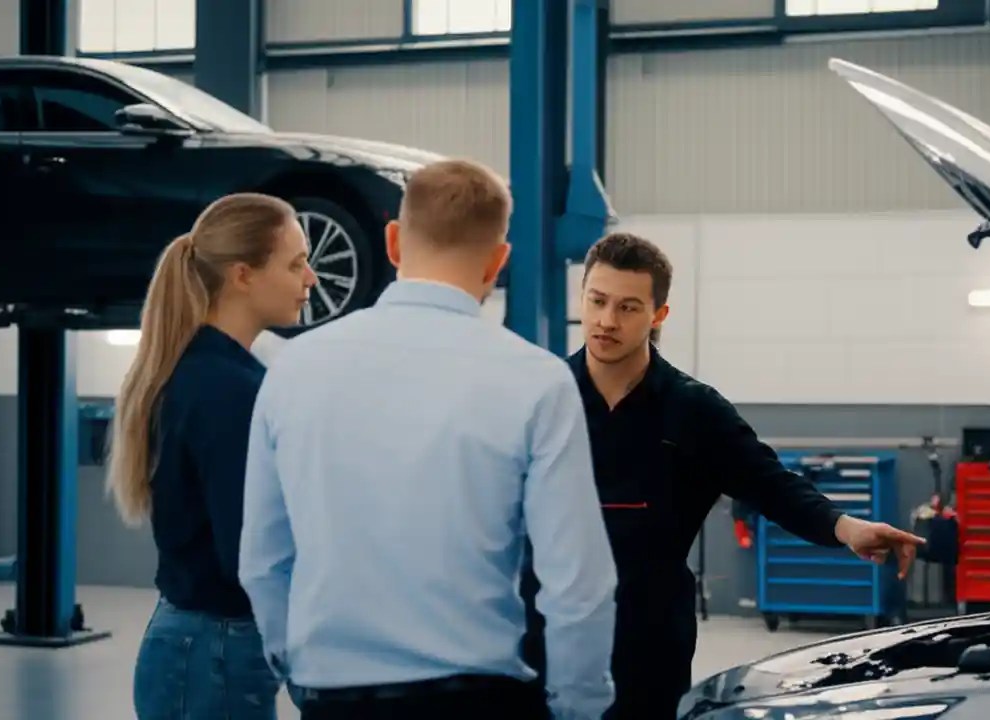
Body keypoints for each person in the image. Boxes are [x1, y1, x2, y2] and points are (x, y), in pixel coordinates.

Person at [237, 158, 619, 720]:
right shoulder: (535, 380)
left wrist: (295, 663)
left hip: (334, 697)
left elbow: (264, 560)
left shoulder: (293, 367)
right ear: (499, 261)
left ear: (393, 241)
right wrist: (578, 706)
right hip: (477, 701)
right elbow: (577, 584)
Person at [525, 232, 928, 720]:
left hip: (649, 643)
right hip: (547, 637)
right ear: (582, 296)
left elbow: (769, 483)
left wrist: (847, 527)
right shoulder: (541, 400)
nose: (607, 321)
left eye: (629, 307)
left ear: (659, 315)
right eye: (598, 301)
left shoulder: (692, 410)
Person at [105, 192, 318, 720]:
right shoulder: (227, 389)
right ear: (243, 275)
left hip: (204, 649)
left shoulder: (214, 372)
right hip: (212, 653)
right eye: (295, 264)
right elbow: (247, 549)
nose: (310, 278)